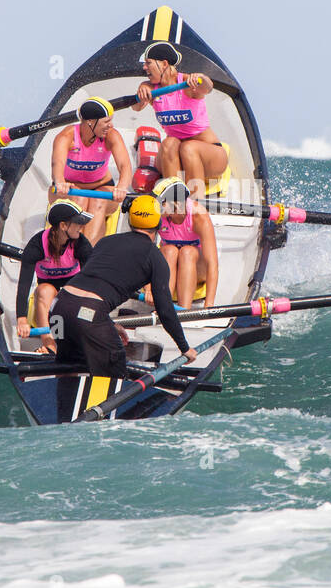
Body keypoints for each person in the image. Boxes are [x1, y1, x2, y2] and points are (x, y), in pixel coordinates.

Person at [50, 194, 196, 383]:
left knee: (68, 366)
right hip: (89, 315)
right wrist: (185, 348)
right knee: (114, 378)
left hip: (59, 307)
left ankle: (60, 405)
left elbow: (89, 288)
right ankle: (110, 411)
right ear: (158, 224)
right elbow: (165, 310)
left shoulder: (106, 242)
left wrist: (107, 324)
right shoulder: (155, 257)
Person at [131, 42, 228, 200]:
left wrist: (201, 78)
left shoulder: (188, 83)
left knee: (188, 147)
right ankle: (174, 203)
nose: (144, 68)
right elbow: (136, 107)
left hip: (210, 158)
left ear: (164, 64)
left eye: (148, 63)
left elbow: (208, 88)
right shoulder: (152, 89)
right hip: (174, 156)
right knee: (169, 142)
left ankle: (195, 204)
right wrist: (141, 90)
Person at [15, 201, 94, 354]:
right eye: (78, 223)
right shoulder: (36, 247)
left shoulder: (81, 244)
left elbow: (91, 282)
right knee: (44, 290)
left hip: (73, 289)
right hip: (48, 292)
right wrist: (21, 319)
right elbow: (24, 284)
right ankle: (50, 345)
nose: (81, 227)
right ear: (63, 226)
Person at [49, 96, 132, 244]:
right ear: (90, 122)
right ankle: (71, 250)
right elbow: (57, 164)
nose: (111, 125)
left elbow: (125, 166)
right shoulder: (66, 137)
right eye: (106, 121)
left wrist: (122, 187)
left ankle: (88, 253)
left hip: (101, 187)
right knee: (78, 201)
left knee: (98, 199)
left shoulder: (111, 136)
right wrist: (60, 182)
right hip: (69, 189)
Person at [154, 177, 219, 309]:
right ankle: (163, 308)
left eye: (160, 203)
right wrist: (148, 289)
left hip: (197, 267)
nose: (155, 206)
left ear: (174, 204)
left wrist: (209, 305)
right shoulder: (157, 215)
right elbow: (145, 252)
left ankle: (184, 311)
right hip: (170, 263)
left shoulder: (198, 216)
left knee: (187, 252)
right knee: (169, 250)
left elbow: (212, 263)